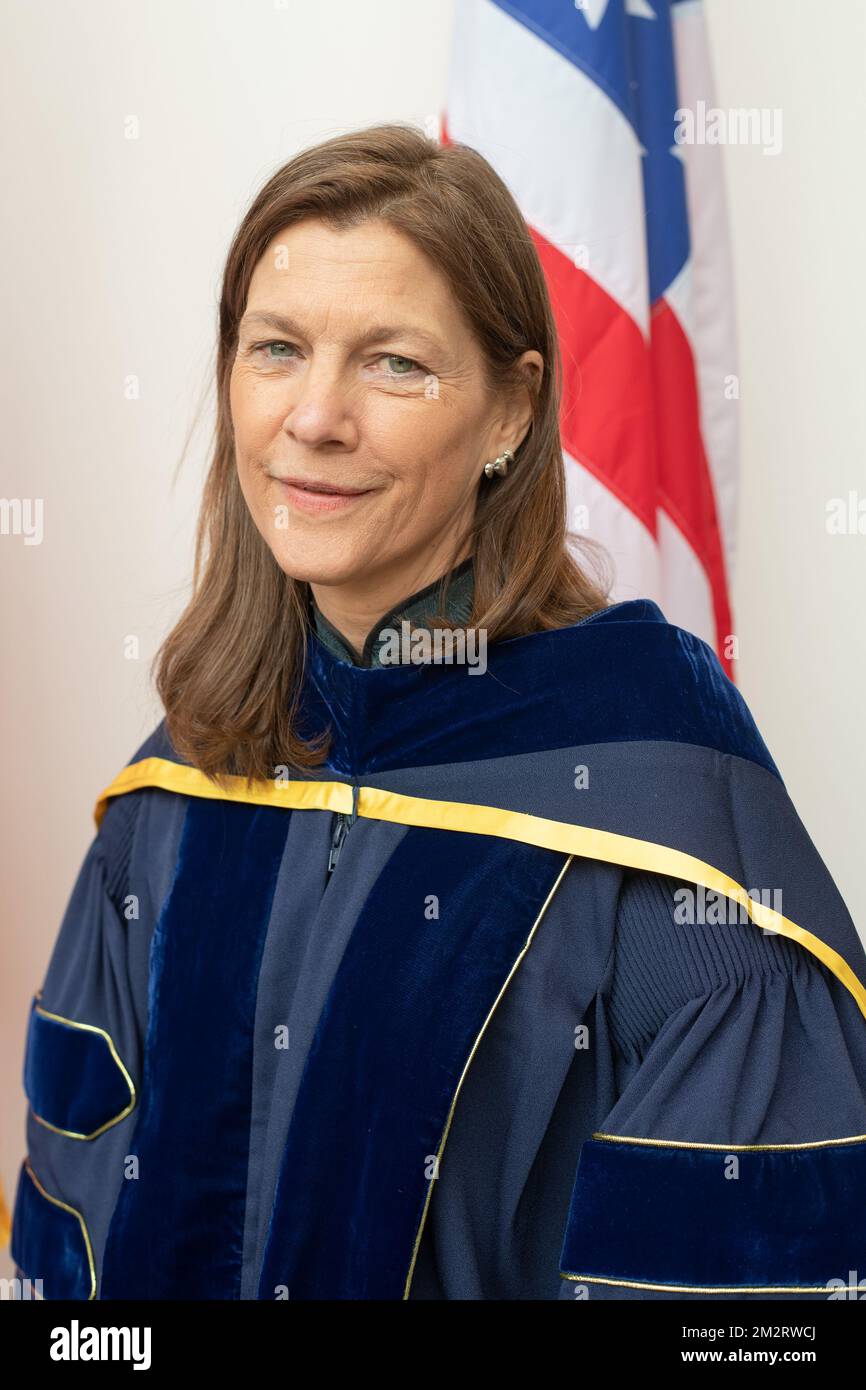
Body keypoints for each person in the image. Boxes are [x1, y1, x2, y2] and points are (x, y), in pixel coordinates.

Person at [11, 123, 866, 1302]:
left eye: (393, 363)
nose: (313, 417)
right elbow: (70, 1237)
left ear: (511, 414)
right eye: (276, 349)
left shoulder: (654, 785)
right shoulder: (185, 774)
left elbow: (737, 1291)